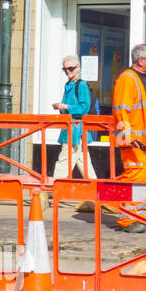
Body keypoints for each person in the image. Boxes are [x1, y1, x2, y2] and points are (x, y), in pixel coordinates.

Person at [111, 43, 146, 231]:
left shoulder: (142, 79)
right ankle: (128, 219)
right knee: (132, 178)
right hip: (134, 141)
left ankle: (138, 216)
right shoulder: (128, 79)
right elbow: (121, 110)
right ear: (140, 61)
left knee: (141, 180)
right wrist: (131, 137)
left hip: (143, 140)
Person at [51, 55, 96, 203]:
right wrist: (62, 108)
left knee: (64, 160)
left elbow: (84, 108)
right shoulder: (69, 85)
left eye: (71, 68)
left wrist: (65, 107)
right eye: (65, 69)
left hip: (75, 130)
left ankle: (56, 189)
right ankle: (98, 191)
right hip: (73, 130)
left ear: (78, 68)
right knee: (84, 162)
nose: (68, 71)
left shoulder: (81, 85)